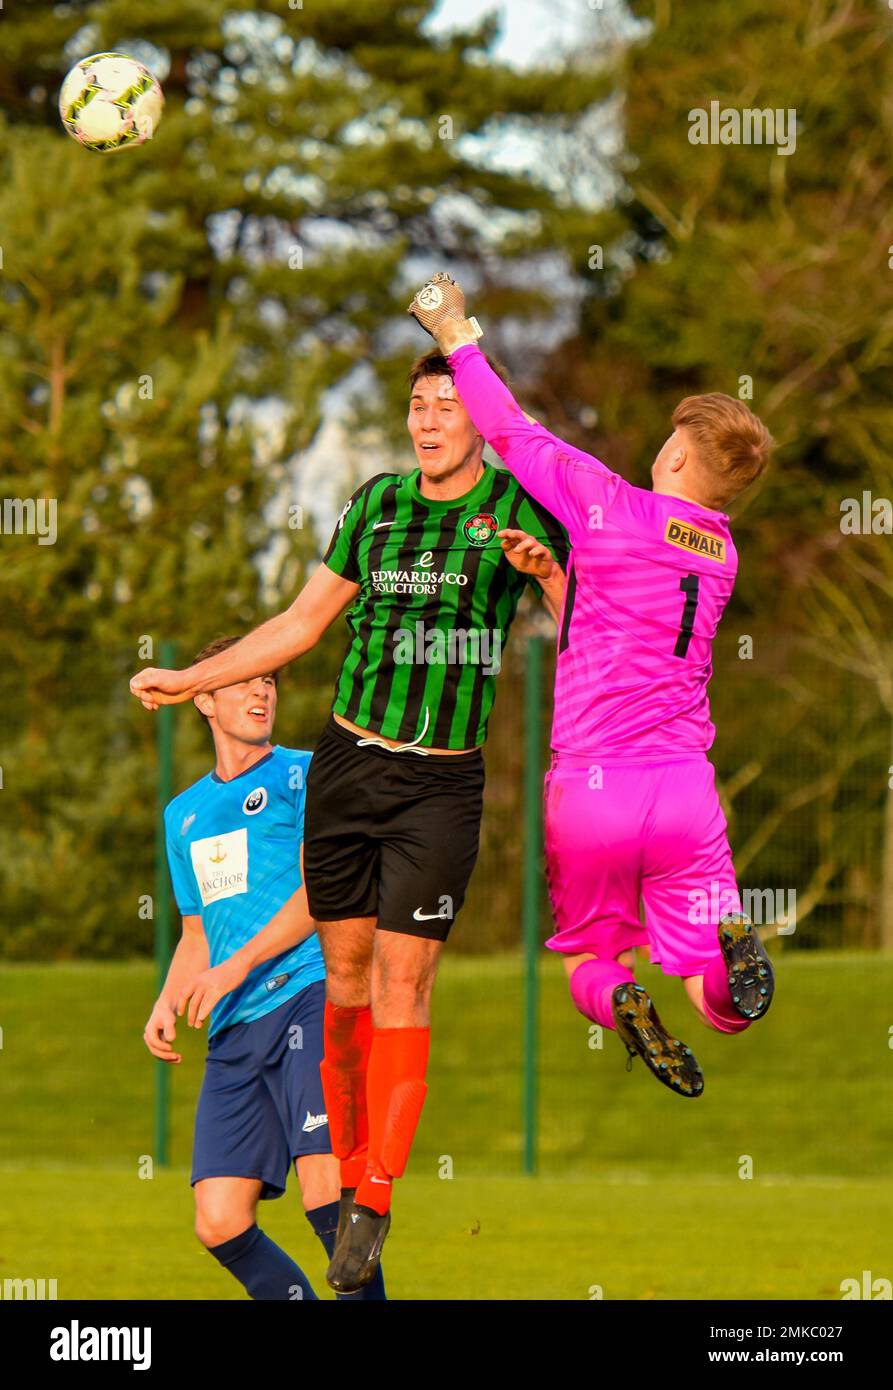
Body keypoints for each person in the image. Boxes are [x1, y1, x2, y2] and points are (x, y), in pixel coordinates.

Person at [131, 354, 568, 1291]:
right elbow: (298, 624)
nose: (428, 420)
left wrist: (547, 575)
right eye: (416, 405)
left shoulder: (518, 512)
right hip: (349, 763)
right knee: (349, 978)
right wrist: (190, 680)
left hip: (441, 787)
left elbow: (582, 629)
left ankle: (372, 1194)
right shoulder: (374, 506)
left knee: (405, 991)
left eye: (448, 406)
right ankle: (350, 1189)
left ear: (481, 420)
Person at [408, 271, 776, 1101]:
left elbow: (512, 433)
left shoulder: (610, 508)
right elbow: (628, 626)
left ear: (676, 453)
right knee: (715, 998)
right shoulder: (719, 555)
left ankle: (619, 1000)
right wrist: (555, 580)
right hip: (683, 787)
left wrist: (454, 332)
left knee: (588, 958)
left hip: (593, 785)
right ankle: (728, 965)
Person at [143, 635, 385, 1299]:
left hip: (309, 997)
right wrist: (167, 999)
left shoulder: (305, 775)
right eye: (245, 680)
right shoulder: (182, 815)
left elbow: (323, 896)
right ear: (203, 698)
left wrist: (235, 966)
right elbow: (198, 933)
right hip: (234, 1028)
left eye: (269, 680)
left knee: (324, 1191)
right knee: (219, 1220)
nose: (261, 691)